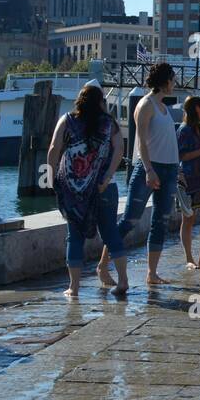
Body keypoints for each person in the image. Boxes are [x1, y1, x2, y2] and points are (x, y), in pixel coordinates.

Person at [48, 83, 127, 298]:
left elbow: (54, 149)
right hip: (105, 186)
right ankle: (123, 281)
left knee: (74, 237)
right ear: (100, 102)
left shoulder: (68, 120)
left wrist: (51, 176)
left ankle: (73, 288)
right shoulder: (109, 123)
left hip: (74, 190)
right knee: (111, 234)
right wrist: (108, 175)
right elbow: (120, 149)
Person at [110, 63, 179, 287]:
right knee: (131, 219)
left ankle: (152, 273)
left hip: (169, 169)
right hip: (149, 168)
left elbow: (167, 141)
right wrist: (149, 170)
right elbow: (141, 141)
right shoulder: (146, 104)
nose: (175, 83)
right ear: (165, 81)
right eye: (173, 79)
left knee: (161, 221)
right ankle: (103, 265)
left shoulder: (163, 107)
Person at [177, 95, 200, 270]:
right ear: (197, 109)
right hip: (188, 179)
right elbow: (181, 156)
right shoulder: (184, 130)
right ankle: (189, 258)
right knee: (188, 219)